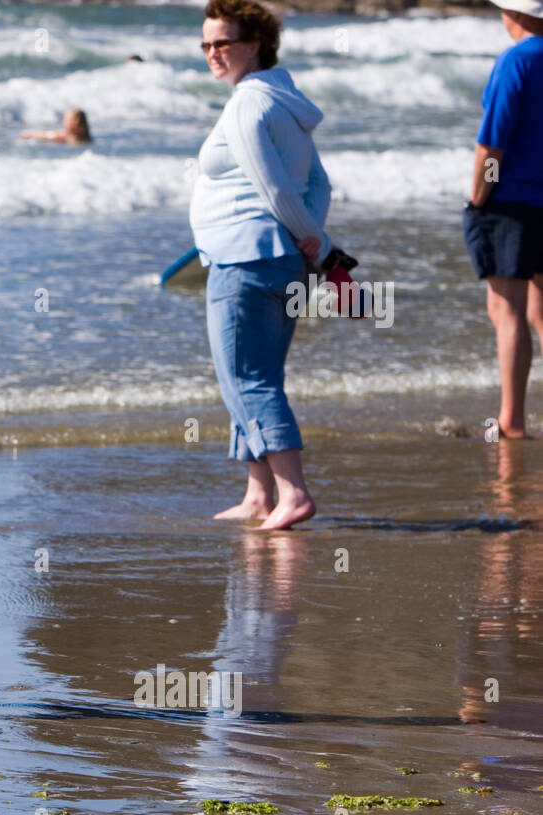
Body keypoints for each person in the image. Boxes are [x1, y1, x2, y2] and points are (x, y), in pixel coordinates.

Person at [189, 0, 331, 530]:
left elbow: (272, 186)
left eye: (221, 42)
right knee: (261, 374)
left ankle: (293, 492)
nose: (212, 54)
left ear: (255, 43)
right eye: (205, 44)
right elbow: (318, 184)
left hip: (244, 260)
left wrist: (310, 236)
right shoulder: (285, 101)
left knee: (245, 378)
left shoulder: (248, 104)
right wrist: (312, 243)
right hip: (278, 262)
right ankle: (258, 492)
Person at [464, 0, 543, 439]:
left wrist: (480, 197)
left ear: (514, 14)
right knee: (540, 308)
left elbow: (493, 145)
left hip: (513, 200)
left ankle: (511, 419)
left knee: (505, 307)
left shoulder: (517, 58)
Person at [21, 109, 92, 145]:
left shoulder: (67, 136)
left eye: (66, 119)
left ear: (74, 123)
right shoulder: (86, 136)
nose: (63, 121)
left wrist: (30, 134)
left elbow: (48, 135)